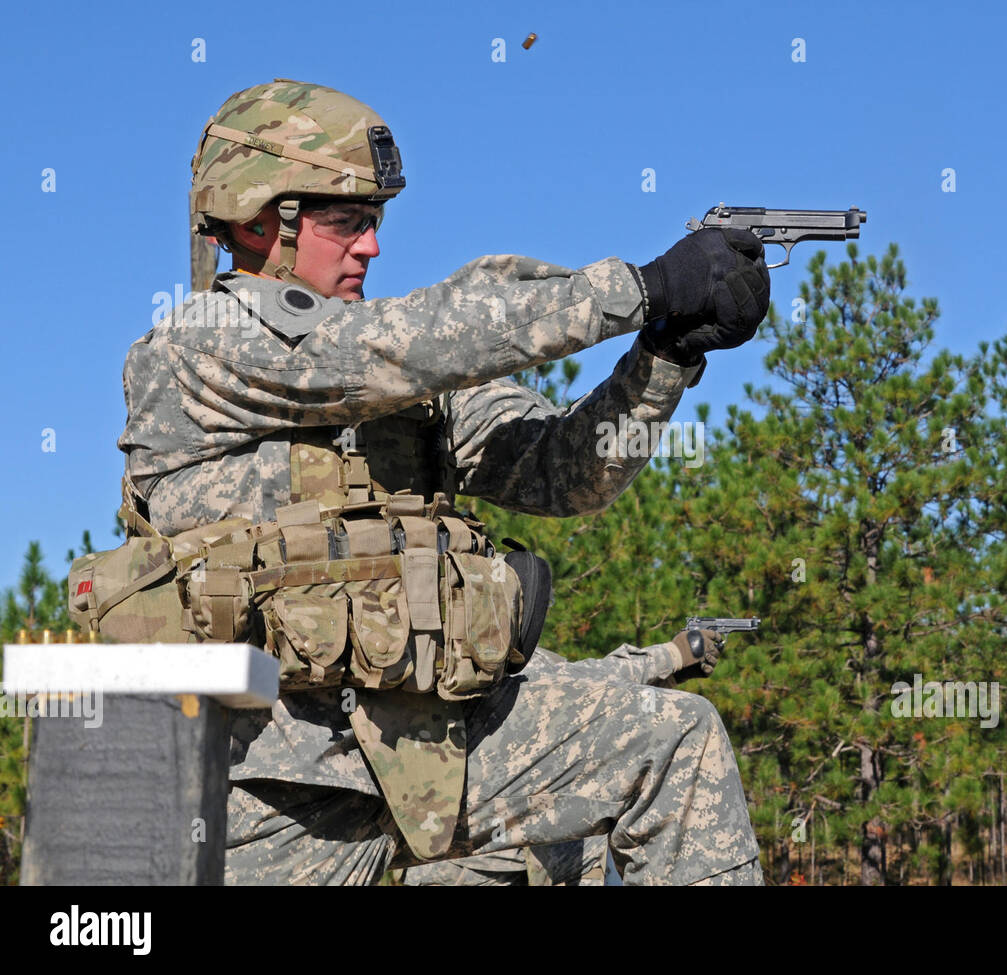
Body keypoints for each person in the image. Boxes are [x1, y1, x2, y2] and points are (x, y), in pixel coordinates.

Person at [117, 79, 769, 885]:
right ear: (258, 221)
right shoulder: (197, 346)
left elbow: (567, 472)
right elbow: (393, 345)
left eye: (376, 222)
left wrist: (665, 356)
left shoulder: (405, 378)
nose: (372, 247)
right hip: (265, 789)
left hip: (431, 751)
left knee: (669, 742)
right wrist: (638, 289)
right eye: (346, 221)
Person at [402, 629, 728, 885]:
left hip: (457, 851)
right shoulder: (497, 657)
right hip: (475, 862)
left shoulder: (428, 656)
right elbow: (586, 683)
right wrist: (671, 656)